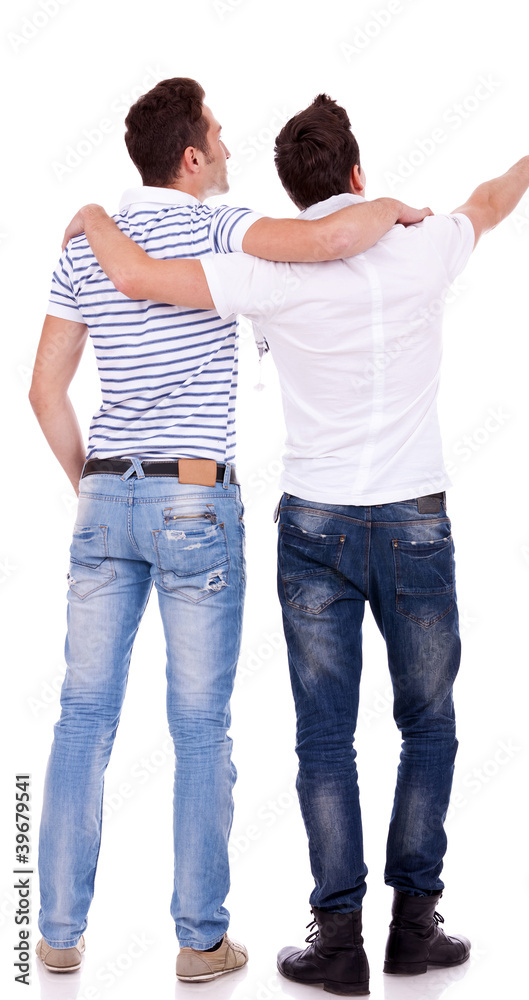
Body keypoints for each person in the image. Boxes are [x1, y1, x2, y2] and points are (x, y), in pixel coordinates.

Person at [67, 93, 529, 996]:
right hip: (414, 521)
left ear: (294, 194)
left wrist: (90, 217)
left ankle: (337, 942)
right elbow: (486, 202)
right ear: (359, 174)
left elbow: (139, 279)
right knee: (430, 724)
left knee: (324, 738)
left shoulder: (264, 270)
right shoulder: (422, 244)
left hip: (314, 529)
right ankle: (413, 927)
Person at [30, 78, 426, 984]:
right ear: (192, 156)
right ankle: (200, 942)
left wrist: (96, 491)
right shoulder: (214, 229)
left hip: (103, 500)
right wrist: (395, 206)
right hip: (196, 503)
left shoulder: (86, 247)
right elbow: (330, 235)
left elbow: (43, 394)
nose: (229, 146)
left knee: (81, 717)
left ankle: (54, 934)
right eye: (217, 132)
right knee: (200, 724)